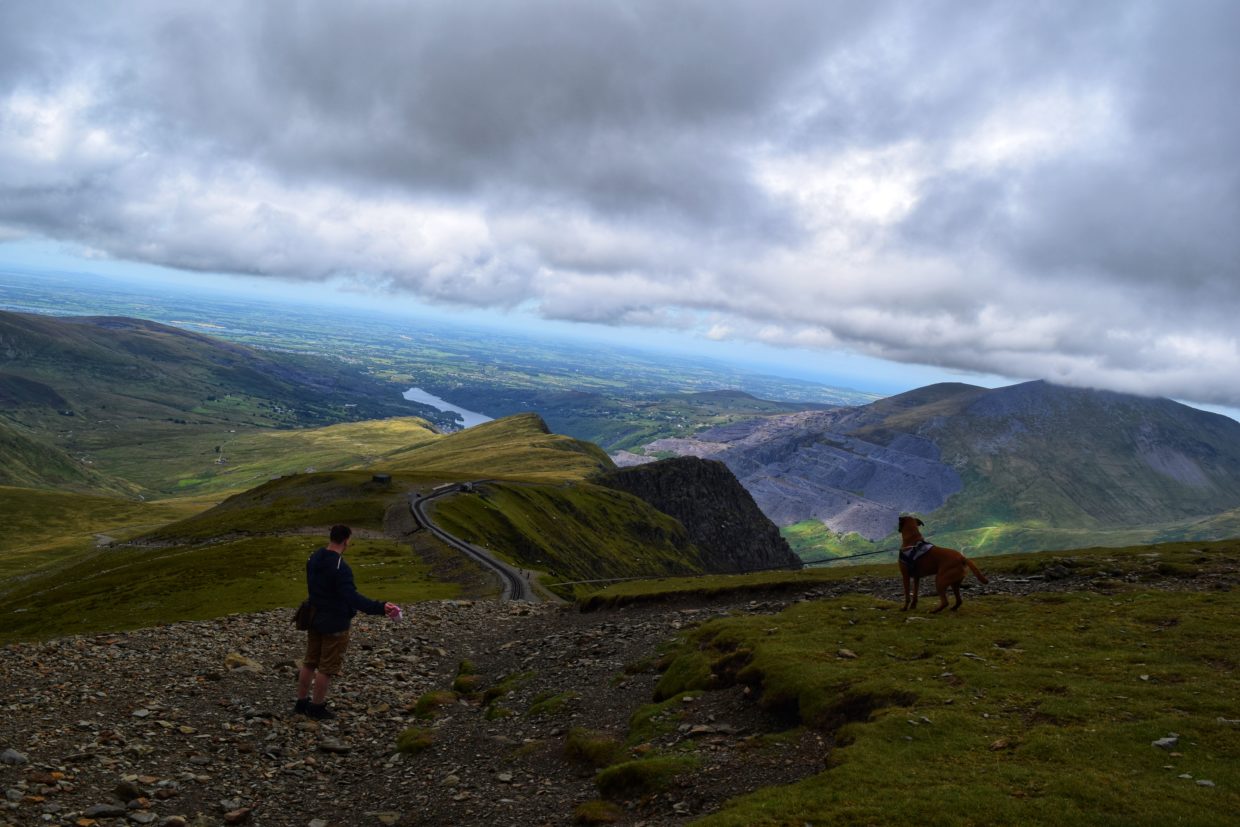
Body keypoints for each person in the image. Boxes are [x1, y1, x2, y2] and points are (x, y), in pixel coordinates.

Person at [294, 524, 400, 719]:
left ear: (331, 537)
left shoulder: (314, 557)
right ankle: (317, 707)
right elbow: (351, 597)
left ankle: (301, 703)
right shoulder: (340, 567)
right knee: (326, 668)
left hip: (314, 617)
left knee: (310, 662)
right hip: (335, 621)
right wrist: (380, 607)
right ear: (346, 540)